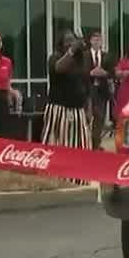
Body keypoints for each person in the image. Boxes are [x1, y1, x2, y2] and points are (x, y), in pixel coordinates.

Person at [40, 31, 92, 164]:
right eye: (67, 40)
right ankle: (54, 171)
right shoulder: (54, 58)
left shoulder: (81, 60)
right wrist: (72, 50)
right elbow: (59, 68)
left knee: (81, 146)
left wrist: (88, 108)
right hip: (58, 111)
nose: (70, 43)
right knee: (56, 145)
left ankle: (77, 172)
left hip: (78, 110)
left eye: (73, 40)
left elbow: (86, 86)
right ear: (61, 43)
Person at [87, 31, 115, 148]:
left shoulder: (106, 56)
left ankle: (96, 144)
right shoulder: (84, 55)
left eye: (99, 40)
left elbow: (112, 73)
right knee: (87, 117)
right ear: (90, 41)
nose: (96, 42)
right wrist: (90, 73)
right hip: (88, 91)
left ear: (101, 42)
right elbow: (79, 72)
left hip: (101, 92)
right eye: (94, 40)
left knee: (100, 118)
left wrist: (105, 73)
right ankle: (85, 143)